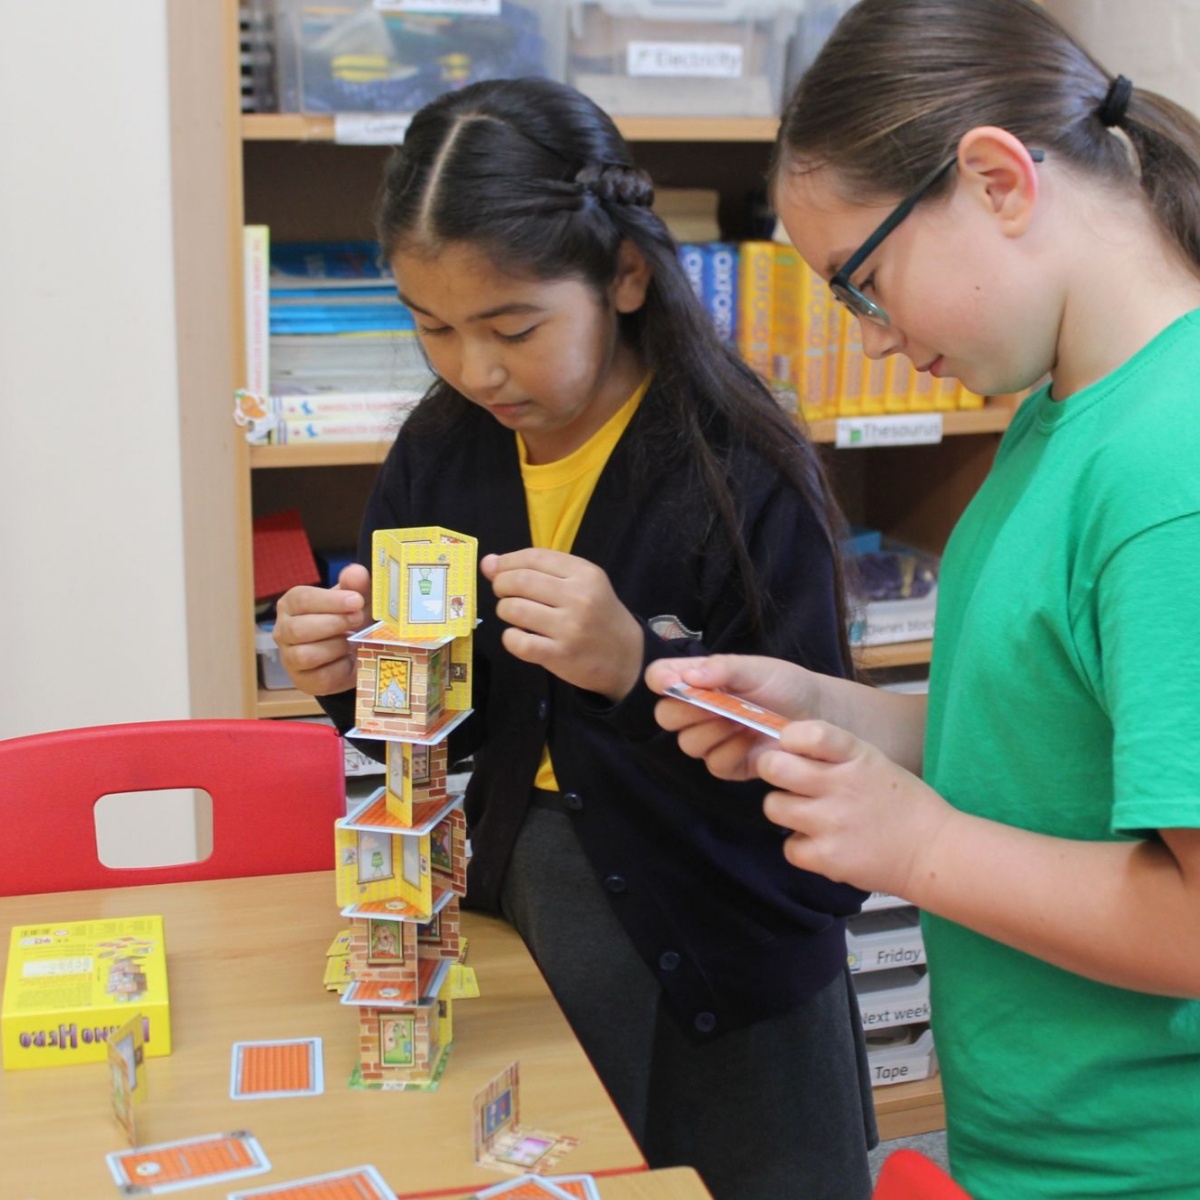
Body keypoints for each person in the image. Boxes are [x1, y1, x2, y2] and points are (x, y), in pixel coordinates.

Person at [272, 76, 877, 1199]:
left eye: (514, 327)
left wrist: (637, 671)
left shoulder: (738, 469)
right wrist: (352, 680)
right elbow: (441, 740)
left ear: (626, 276)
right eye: (432, 327)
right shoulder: (441, 454)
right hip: (531, 912)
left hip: (731, 941)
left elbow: (820, 769)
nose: (474, 369)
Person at [647, 1, 1200, 1197]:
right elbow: (1051, 740)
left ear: (998, 181)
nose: (876, 340)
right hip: (1036, 1148)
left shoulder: (1172, 470)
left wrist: (921, 844)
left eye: (865, 285)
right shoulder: (1061, 414)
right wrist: (828, 712)